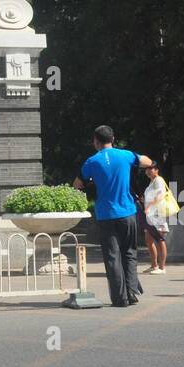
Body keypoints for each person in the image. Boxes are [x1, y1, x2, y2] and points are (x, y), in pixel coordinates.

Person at [73, 125, 153, 307]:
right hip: (128, 212)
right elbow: (148, 162)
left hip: (106, 214)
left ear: (96, 141)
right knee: (130, 253)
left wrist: (92, 182)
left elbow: (77, 184)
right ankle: (132, 292)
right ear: (113, 138)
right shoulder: (126, 155)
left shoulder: (91, 162)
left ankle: (119, 298)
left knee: (112, 256)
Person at [141, 162, 172, 274]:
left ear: (157, 170)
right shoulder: (151, 182)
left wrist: (149, 206)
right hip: (150, 215)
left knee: (159, 239)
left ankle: (162, 267)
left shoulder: (159, 180)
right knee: (149, 240)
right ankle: (154, 265)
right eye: (147, 169)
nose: (148, 171)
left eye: (151, 168)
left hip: (157, 213)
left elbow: (160, 195)